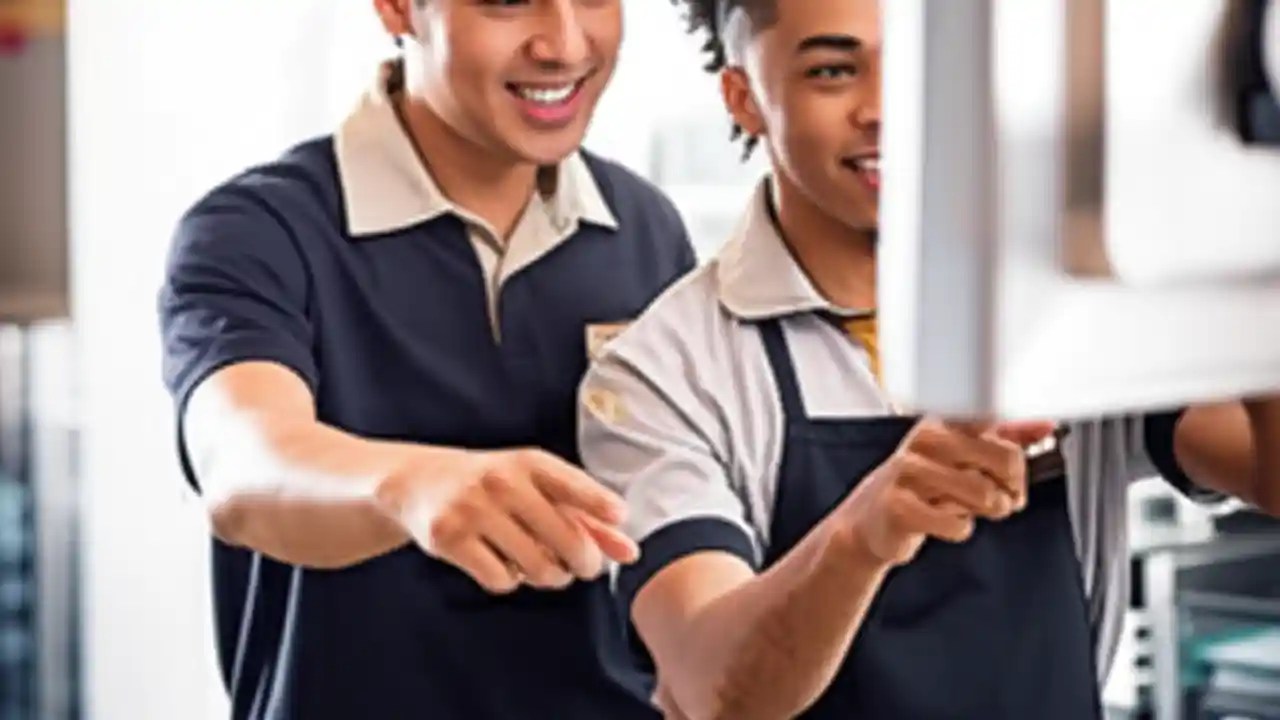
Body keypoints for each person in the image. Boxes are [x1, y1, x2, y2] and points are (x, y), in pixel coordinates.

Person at [577, 1, 1280, 718]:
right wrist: (865, 533)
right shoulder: (662, 372)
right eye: (833, 71)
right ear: (745, 97)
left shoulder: (1072, 304)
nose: (888, 110)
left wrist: (1247, 225)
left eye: (921, 69)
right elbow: (714, 691)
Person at [157, 1, 696, 718]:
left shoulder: (646, 230)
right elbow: (245, 466)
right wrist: (412, 486)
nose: (564, 44)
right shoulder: (260, 231)